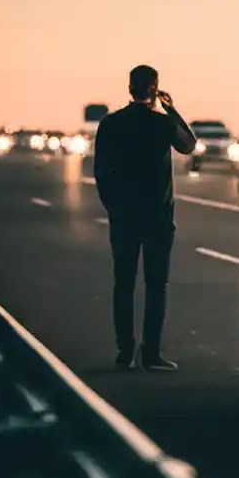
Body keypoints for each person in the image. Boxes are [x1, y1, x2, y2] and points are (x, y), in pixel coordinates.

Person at [93, 64, 197, 371]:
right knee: (156, 285)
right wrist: (172, 109)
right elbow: (188, 145)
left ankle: (125, 352)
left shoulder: (110, 123)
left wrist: (113, 208)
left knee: (122, 284)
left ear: (129, 88)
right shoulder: (160, 124)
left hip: (124, 217)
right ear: (154, 89)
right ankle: (151, 353)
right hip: (157, 217)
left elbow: (101, 171)